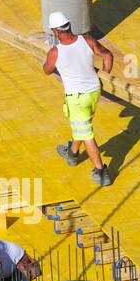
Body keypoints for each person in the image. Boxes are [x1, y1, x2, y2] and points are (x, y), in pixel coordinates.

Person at [42, 10, 114, 187]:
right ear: (69, 26)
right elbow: (107, 55)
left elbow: (47, 70)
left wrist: (52, 59)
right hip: (94, 93)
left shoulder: (55, 52)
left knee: (86, 133)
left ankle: (101, 171)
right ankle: (72, 153)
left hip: (77, 99)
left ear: (56, 32)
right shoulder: (87, 40)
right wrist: (104, 75)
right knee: (82, 125)